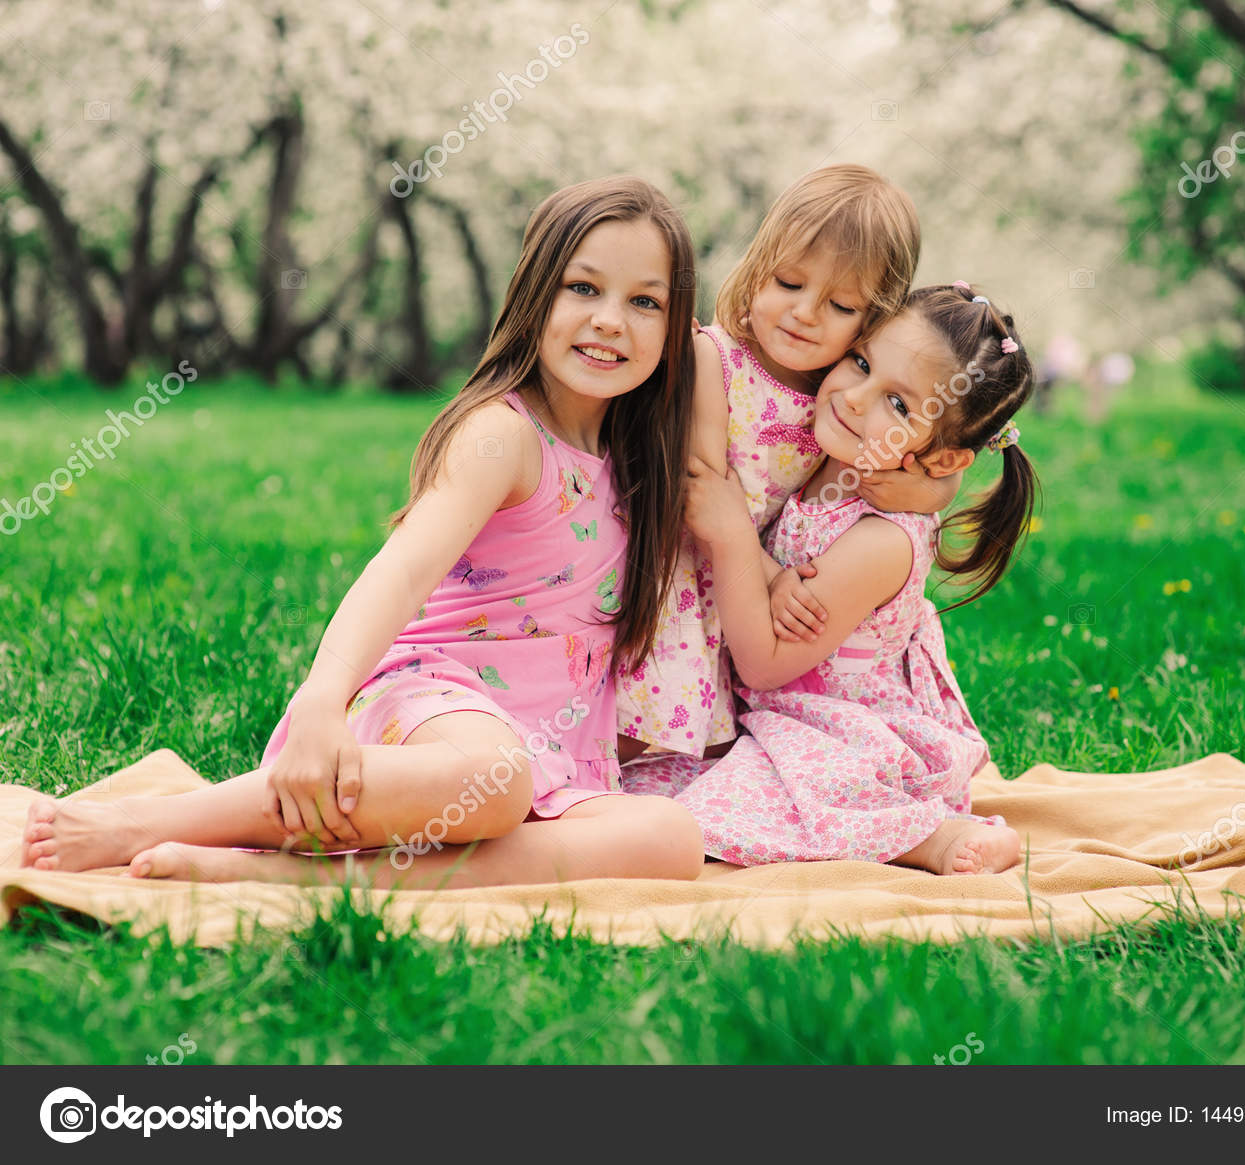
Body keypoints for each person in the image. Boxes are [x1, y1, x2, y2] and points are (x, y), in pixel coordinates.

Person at [20, 176, 706, 887]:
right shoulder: (503, 435)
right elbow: (402, 570)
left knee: (670, 839)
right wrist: (322, 696)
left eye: (645, 301)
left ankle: (297, 881)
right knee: (495, 780)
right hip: (435, 707)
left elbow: (738, 365)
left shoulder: (639, 458)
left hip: (554, 753)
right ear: (535, 292)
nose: (610, 321)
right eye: (583, 288)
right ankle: (151, 822)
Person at [623, 283, 1037, 875]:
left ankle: (932, 837)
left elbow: (767, 664)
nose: (852, 397)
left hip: (841, 735)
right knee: (640, 793)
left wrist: (730, 531)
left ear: (943, 457)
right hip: (767, 721)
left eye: (897, 404)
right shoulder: (839, 454)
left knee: (704, 820)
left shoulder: (879, 540)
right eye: (862, 362)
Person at [615, 162, 960, 764]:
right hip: (680, 572)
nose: (804, 313)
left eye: (840, 305)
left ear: (871, 322)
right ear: (758, 270)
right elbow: (699, 488)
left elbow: (930, 477)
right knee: (625, 722)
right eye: (789, 283)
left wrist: (933, 490)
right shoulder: (713, 359)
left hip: (738, 594)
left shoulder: (842, 394)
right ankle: (579, 789)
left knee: (711, 751)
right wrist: (772, 576)